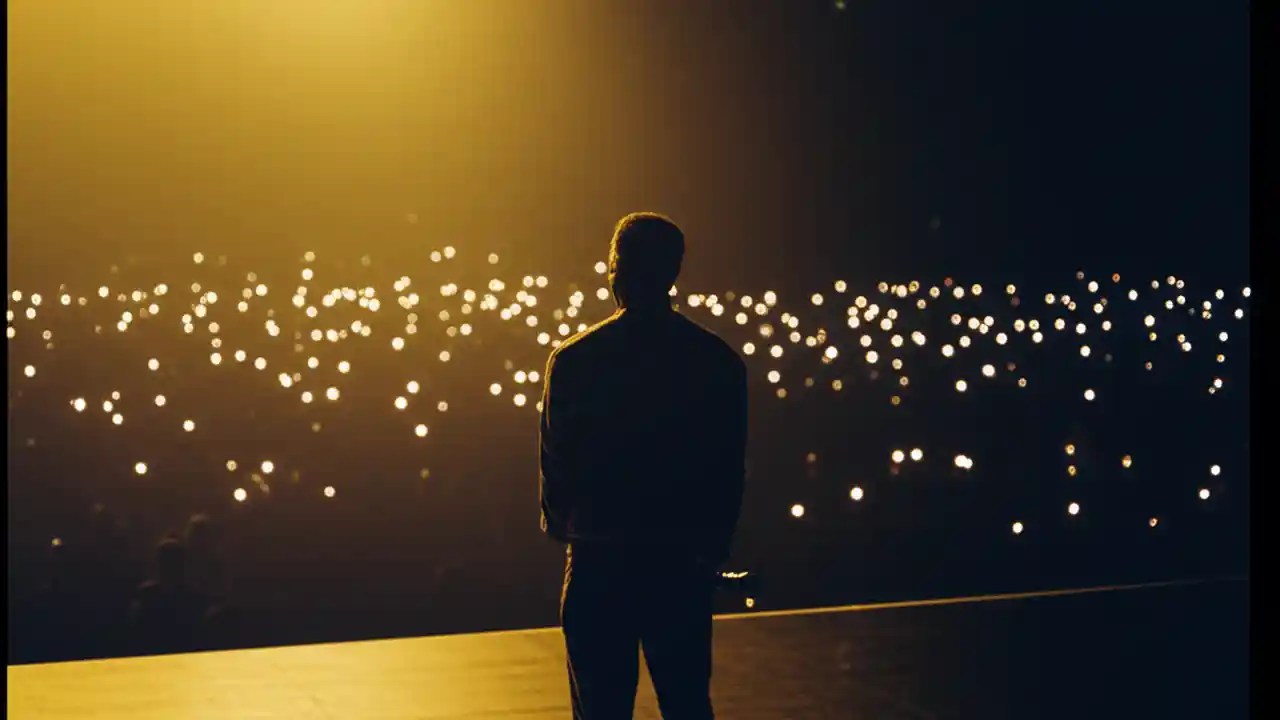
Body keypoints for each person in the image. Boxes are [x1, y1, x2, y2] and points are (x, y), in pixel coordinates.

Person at [539, 212, 749, 718]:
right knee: (686, 702)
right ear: (673, 271)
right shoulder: (715, 361)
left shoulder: (574, 361)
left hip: (599, 562)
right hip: (680, 563)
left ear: (616, 270)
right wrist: (709, 548)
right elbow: (728, 471)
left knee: (600, 707)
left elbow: (557, 472)